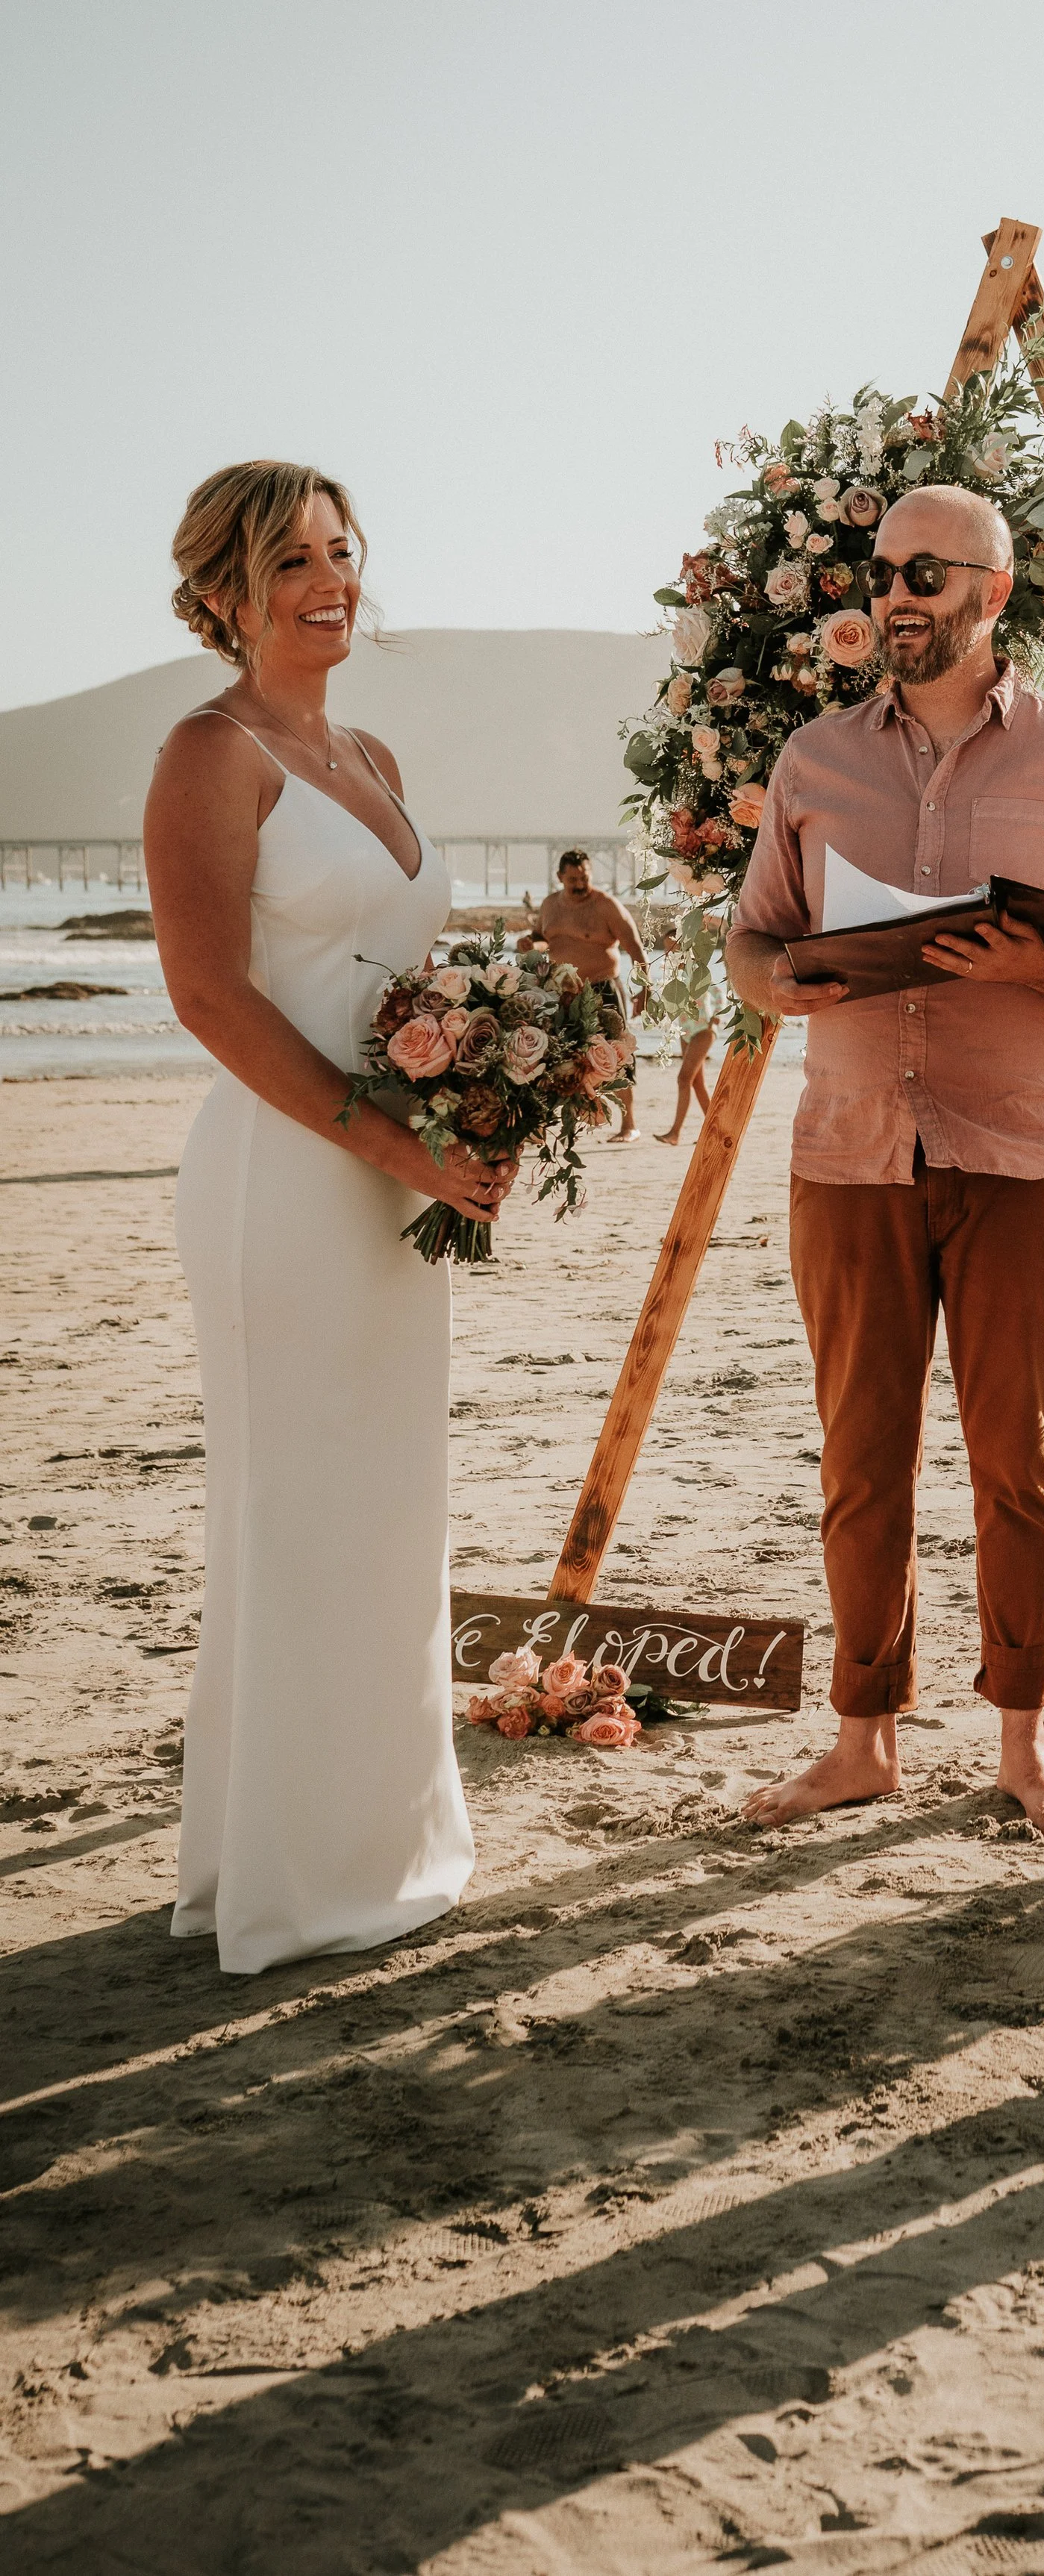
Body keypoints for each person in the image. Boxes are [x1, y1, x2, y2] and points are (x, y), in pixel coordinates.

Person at [727, 483, 1044, 1836]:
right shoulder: (813, 761)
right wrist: (780, 987)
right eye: (883, 572)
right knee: (861, 1459)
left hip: (1021, 1160)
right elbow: (751, 938)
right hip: (849, 1158)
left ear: (994, 591)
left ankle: (1024, 1745)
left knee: (1014, 1463)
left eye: (926, 574)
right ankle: (864, 1739)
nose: (896, 597)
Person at [146, 462, 511, 1975]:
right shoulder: (208, 752)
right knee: (296, 1514)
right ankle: (289, 1879)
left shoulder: (369, 750)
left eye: (344, 549)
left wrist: (482, 1096)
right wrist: (383, 1138)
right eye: (290, 558)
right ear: (224, 591)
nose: (330, 576)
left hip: (386, 1182)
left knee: (386, 1510)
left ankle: (370, 1844)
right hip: (282, 1182)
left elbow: (394, 983)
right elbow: (211, 992)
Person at [523, 851, 648, 1139]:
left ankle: (629, 1125)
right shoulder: (550, 904)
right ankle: (544, 1124)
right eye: (573, 879)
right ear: (560, 878)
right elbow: (542, 942)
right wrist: (529, 945)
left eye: (585, 878)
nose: (580, 884)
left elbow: (636, 948)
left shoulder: (606, 906)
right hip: (561, 991)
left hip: (602, 988)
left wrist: (645, 988)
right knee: (553, 1052)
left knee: (617, 1052)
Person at [656, 1016, 716, 1145]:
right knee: (697, 1083)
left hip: (704, 1028)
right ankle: (716, 1132)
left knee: (683, 1079)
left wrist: (716, 1017)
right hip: (686, 1029)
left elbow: (721, 995)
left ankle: (675, 1133)